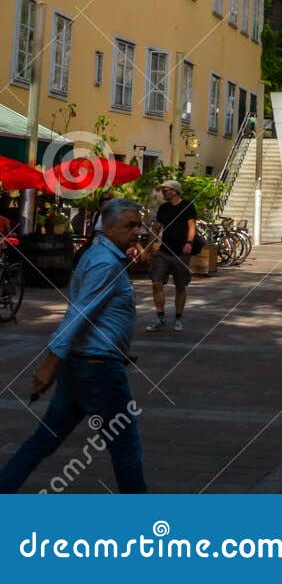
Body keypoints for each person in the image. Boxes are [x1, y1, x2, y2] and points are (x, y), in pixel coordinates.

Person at [0, 199, 148, 494]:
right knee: (125, 446)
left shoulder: (99, 255)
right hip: (98, 368)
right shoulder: (106, 263)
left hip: (81, 367)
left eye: (138, 225)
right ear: (108, 227)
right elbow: (79, 313)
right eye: (130, 225)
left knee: (44, 440)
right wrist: (49, 364)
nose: (137, 231)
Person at [146, 179, 197, 334]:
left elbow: (192, 226)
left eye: (166, 190)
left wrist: (189, 242)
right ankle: (160, 317)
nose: (163, 192)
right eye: (163, 190)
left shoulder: (187, 205)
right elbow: (156, 227)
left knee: (180, 286)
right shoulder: (164, 208)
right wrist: (150, 245)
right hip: (163, 252)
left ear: (174, 191)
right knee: (156, 283)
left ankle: (178, 318)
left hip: (181, 252)